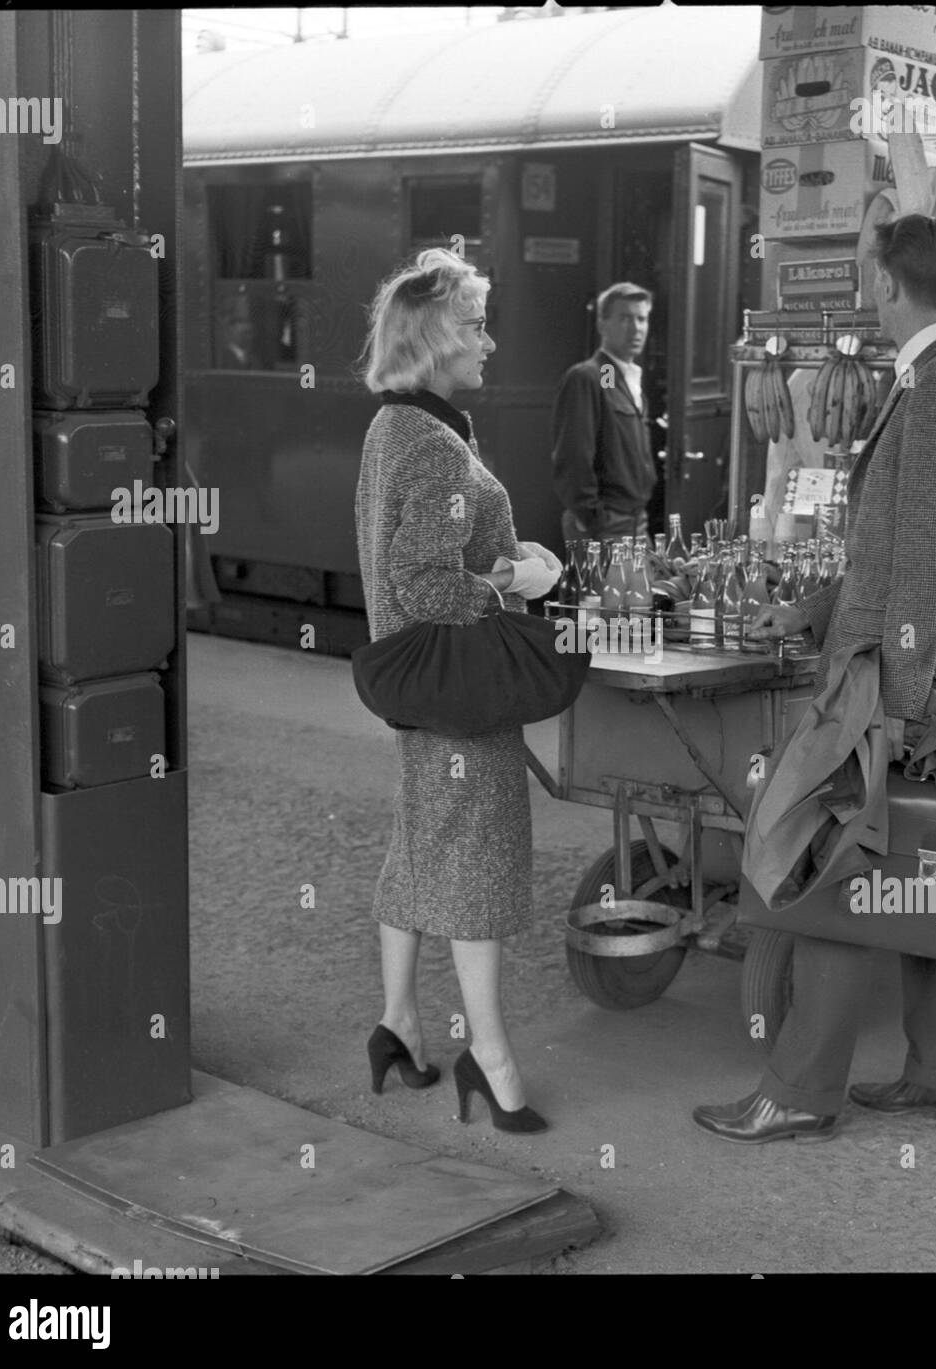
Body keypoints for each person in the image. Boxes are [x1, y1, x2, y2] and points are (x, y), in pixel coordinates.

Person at [693, 215, 936, 1143]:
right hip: (928, 670)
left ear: (887, 282)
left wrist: (900, 703)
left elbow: (927, 566)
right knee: (934, 865)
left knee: (840, 872)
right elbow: (905, 551)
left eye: (869, 275)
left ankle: (799, 1091)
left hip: (899, 681)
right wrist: (810, 611)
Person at [354, 248, 563, 1132]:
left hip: (415, 682)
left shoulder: (393, 426)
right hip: (456, 686)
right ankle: (492, 1057)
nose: (489, 339)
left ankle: (398, 1024)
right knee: (476, 860)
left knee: (419, 847)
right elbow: (426, 581)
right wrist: (519, 578)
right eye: (476, 324)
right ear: (437, 338)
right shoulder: (434, 446)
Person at [552, 282, 655, 543]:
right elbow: (573, 456)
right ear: (602, 324)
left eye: (642, 319)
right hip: (605, 523)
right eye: (624, 318)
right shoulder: (587, 377)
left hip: (634, 521)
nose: (636, 328)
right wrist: (593, 518)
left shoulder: (631, 379)